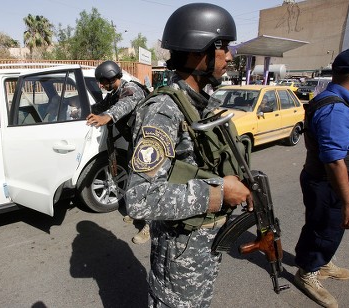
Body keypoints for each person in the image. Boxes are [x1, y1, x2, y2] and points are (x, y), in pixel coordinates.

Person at [124, 3, 253, 307]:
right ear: (199, 51)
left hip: (202, 247)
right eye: (224, 47)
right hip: (180, 255)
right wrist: (221, 192)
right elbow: (140, 198)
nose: (231, 55)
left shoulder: (197, 104)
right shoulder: (163, 112)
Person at [294, 47, 349, 308]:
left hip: (327, 183)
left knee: (326, 228)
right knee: (323, 228)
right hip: (328, 184)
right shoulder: (336, 110)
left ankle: (321, 261)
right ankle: (307, 272)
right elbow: (333, 160)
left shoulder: (337, 100)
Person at [86, 60, 150, 244]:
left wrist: (107, 117)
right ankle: (138, 212)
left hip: (147, 142)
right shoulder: (114, 92)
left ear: (110, 77)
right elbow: (102, 105)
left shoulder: (130, 89)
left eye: (102, 81)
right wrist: (88, 112)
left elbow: (126, 104)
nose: (101, 85)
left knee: (148, 181)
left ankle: (151, 225)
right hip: (135, 140)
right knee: (134, 177)